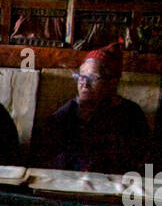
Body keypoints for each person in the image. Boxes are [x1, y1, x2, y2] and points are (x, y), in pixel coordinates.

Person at [29, 44, 154, 173]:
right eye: (81, 76)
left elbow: (141, 159)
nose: (84, 84)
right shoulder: (65, 115)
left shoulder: (131, 114)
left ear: (112, 82)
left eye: (93, 78)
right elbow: (45, 159)